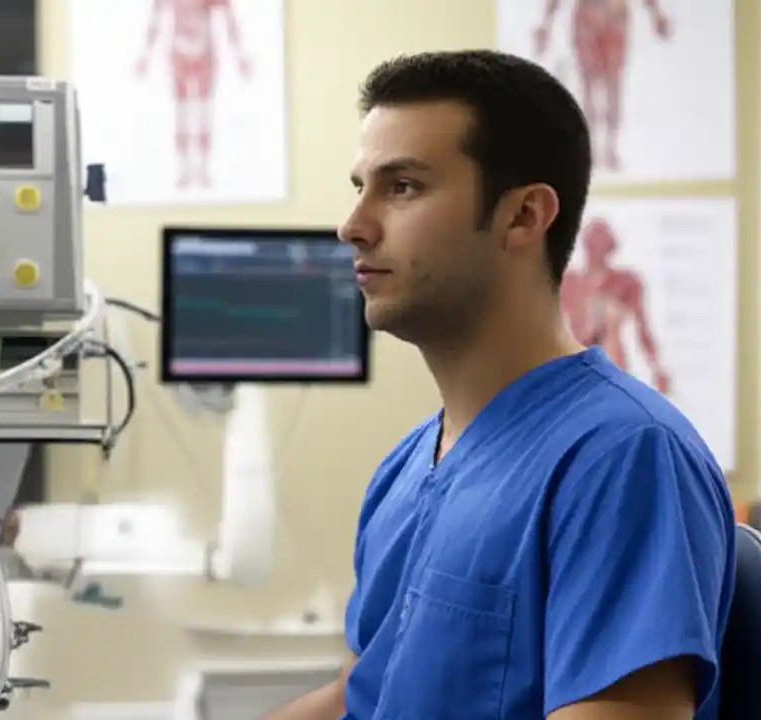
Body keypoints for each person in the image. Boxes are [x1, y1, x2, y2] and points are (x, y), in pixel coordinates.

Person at [263, 50, 733, 720]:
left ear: (523, 217)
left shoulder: (624, 458)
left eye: (402, 188)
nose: (353, 226)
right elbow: (359, 694)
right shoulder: (406, 466)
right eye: (359, 186)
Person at [533, 0, 671, 170]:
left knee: (611, 85)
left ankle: (609, 148)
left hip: (613, 19)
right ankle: (594, 148)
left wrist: (656, 15)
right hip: (589, 20)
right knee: (590, 85)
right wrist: (545, 24)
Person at [135, 0, 253, 189]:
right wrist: (145, 56)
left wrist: (240, 56)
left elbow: (229, 20)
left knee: (203, 112)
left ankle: (202, 168)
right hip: (180, 55)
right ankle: (184, 169)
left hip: (204, 54)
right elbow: (155, 21)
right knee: (182, 113)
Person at [560, 218, 671, 394]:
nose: (595, 252)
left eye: (601, 245)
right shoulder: (569, 282)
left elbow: (643, 329)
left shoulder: (625, 282)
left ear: (610, 248)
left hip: (612, 365)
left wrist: (656, 367)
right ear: (585, 246)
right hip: (576, 369)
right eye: (592, 245)